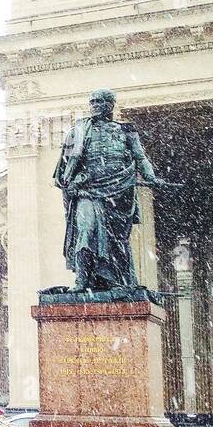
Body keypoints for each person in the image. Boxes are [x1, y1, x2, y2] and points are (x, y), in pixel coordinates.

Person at [52, 89, 173, 293]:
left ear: (111, 105)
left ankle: (114, 279)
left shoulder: (126, 130)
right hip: (88, 189)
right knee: (85, 230)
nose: (95, 105)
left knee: (115, 240)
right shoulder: (80, 129)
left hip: (119, 190)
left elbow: (140, 157)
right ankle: (83, 281)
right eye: (92, 102)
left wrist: (151, 177)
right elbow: (69, 162)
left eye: (100, 101)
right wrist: (70, 181)